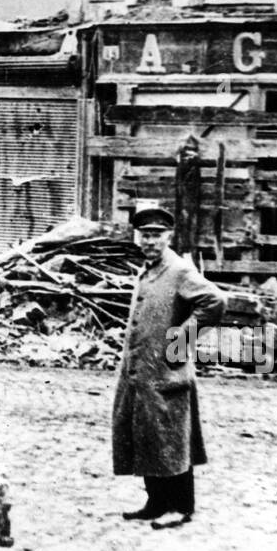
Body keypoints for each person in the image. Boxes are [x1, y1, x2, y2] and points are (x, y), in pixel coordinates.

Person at [113, 201, 226, 529]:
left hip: (166, 371)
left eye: (156, 235)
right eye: (144, 235)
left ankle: (181, 506)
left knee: (173, 437)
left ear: (168, 236)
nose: (149, 241)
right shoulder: (147, 270)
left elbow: (215, 302)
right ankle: (156, 501)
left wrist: (180, 343)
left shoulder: (179, 270)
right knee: (146, 433)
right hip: (140, 370)